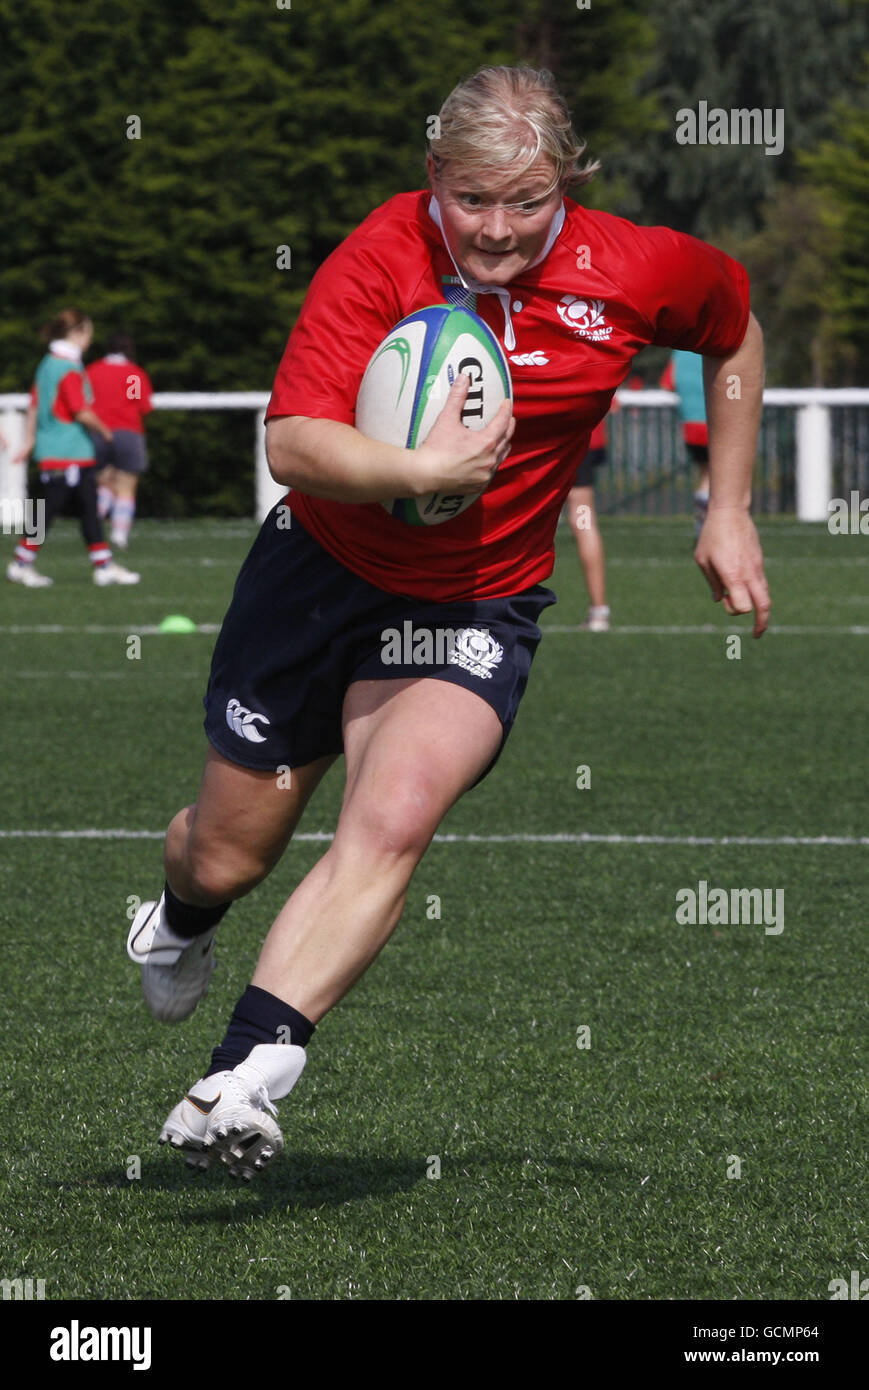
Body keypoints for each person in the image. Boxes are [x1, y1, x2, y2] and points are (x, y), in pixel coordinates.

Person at [126, 65, 770, 1180]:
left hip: (478, 598)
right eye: (472, 198)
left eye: (527, 200)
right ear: (434, 177)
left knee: (395, 813)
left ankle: (243, 1075)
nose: (498, 228)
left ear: (567, 181)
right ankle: (176, 918)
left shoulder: (635, 266)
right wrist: (418, 468)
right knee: (230, 853)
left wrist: (727, 511)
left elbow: (736, 333)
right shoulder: (382, 254)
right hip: (319, 576)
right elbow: (294, 444)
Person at [6, 309, 140, 587]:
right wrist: (105, 431)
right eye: (88, 334)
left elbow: (34, 405)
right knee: (45, 510)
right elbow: (79, 410)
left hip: (66, 452)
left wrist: (31, 440)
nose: (90, 341)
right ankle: (21, 563)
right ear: (76, 333)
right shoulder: (68, 367)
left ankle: (103, 565)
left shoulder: (46, 363)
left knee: (88, 508)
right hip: (67, 451)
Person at [87, 331, 153, 549]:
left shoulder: (93, 371)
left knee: (102, 482)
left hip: (98, 431)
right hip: (128, 432)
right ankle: (119, 535)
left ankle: (93, 526)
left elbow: (84, 401)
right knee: (126, 486)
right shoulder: (133, 374)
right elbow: (142, 406)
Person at [566, 411, 613, 631]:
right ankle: (599, 611)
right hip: (584, 437)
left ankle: (599, 610)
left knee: (582, 518)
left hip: (562, 438)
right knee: (583, 517)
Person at [660, 349, 711, 536]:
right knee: (719, 478)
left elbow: (668, 383)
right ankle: (709, 529)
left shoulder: (680, 354)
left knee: (706, 475)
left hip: (691, 425)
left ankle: (702, 525)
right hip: (716, 423)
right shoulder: (717, 347)